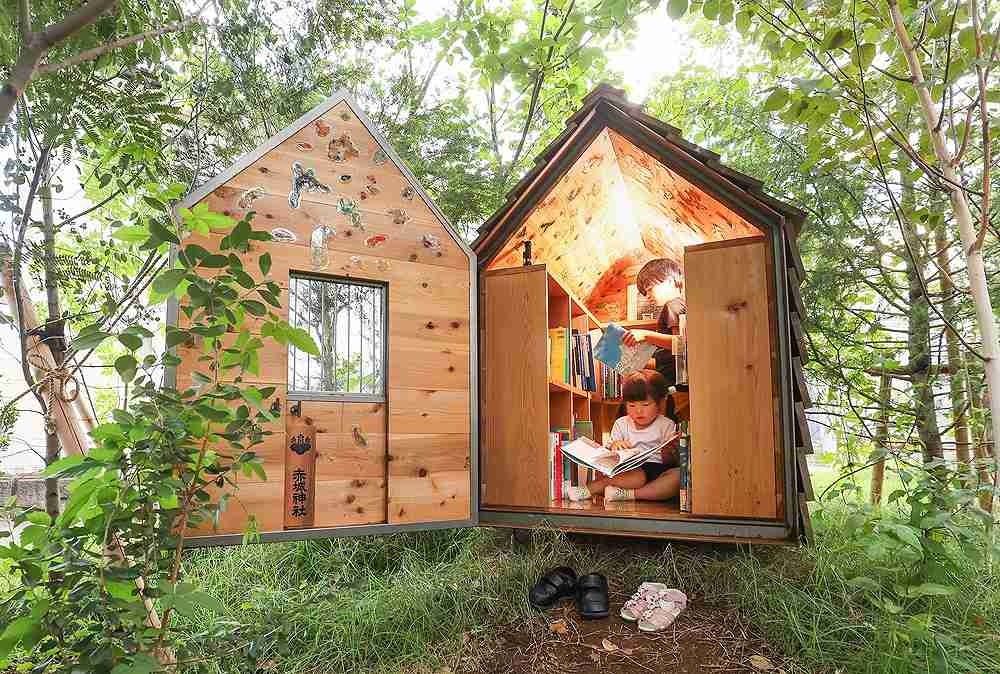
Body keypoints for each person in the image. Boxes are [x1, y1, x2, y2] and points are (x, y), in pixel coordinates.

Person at [567, 369, 680, 503]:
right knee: (637, 477)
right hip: (632, 472)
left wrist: (669, 452)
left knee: (678, 477)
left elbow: (669, 461)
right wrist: (615, 446)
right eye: (631, 405)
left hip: (659, 473)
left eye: (645, 404)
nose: (638, 411)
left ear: (659, 403)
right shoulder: (621, 424)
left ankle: (628, 494)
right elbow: (609, 455)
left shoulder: (666, 424)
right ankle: (588, 489)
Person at [621, 258, 686, 386]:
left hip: (678, 386)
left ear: (669, 281)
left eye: (650, 289)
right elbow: (670, 359)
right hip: (675, 386)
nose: (647, 296)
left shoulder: (673, 305)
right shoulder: (676, 306)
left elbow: (682, 346)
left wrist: (645, 335)